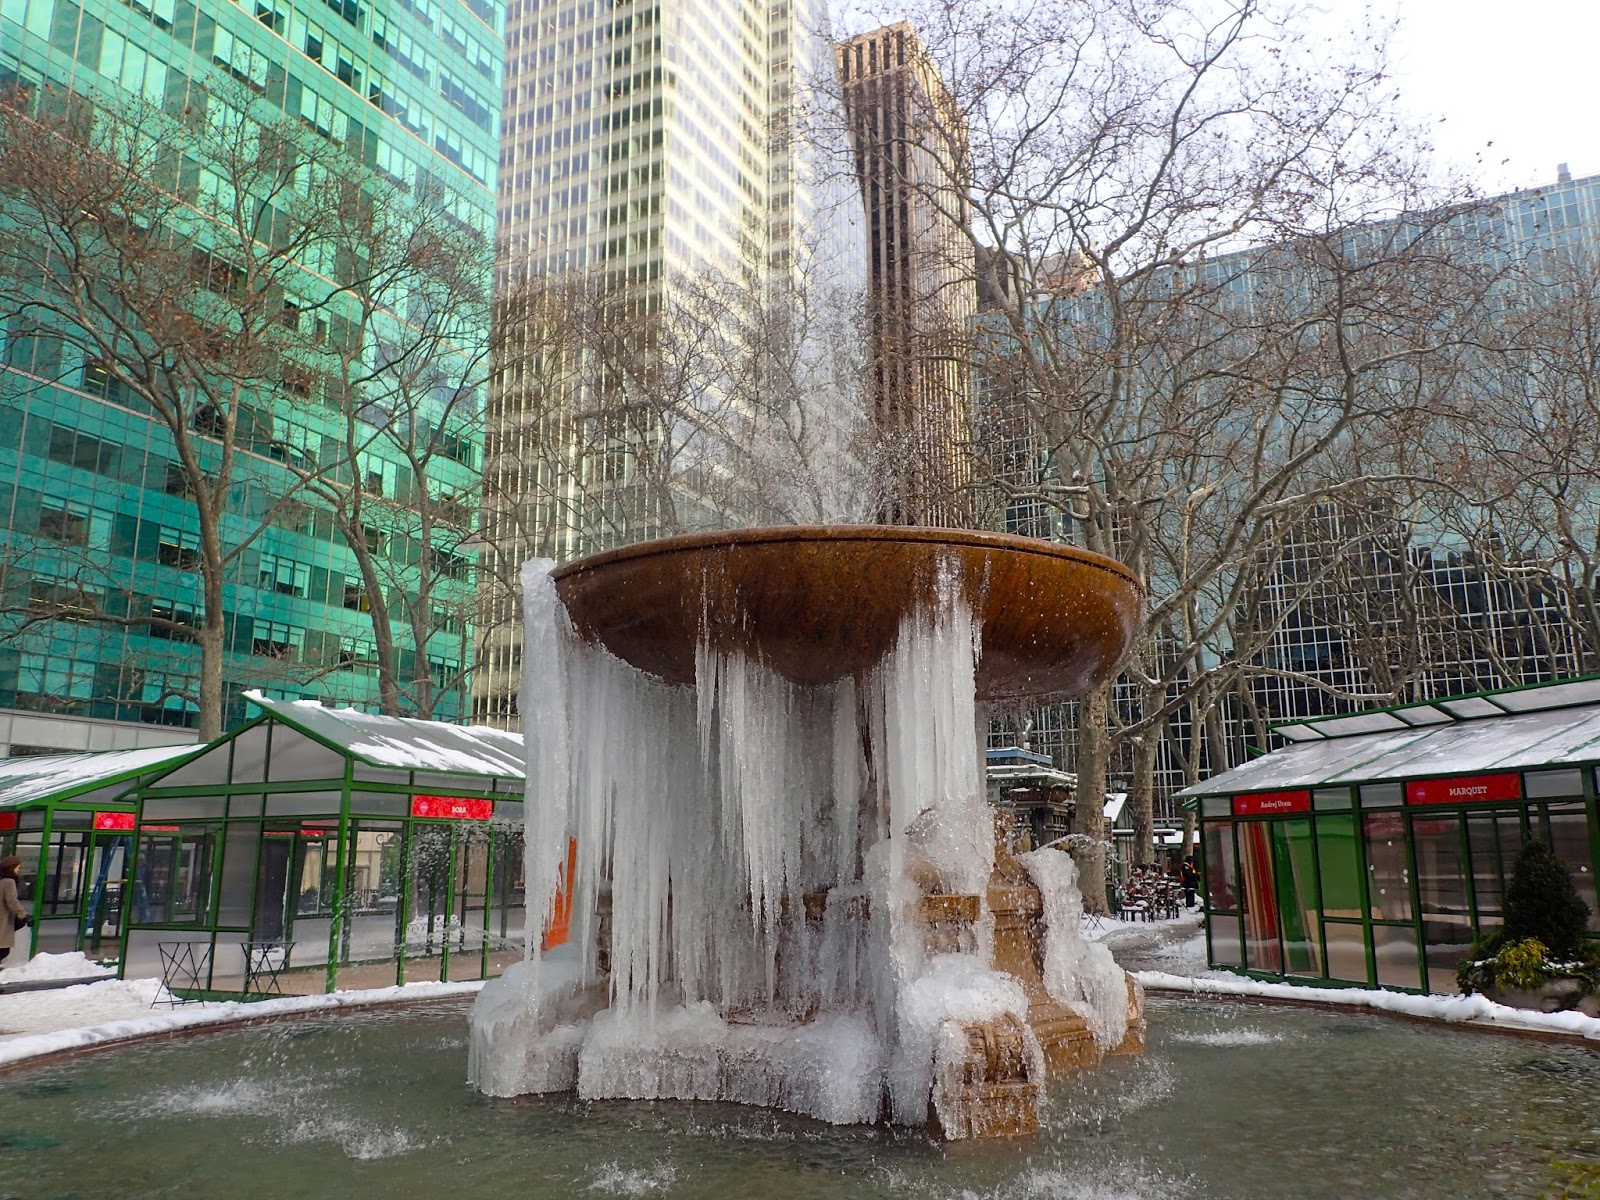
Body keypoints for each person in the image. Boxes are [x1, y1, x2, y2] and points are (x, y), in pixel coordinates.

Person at [0, 854, 29, 967]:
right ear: (11, 868)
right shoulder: (9, 882)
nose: (19, 870)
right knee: (3, 950)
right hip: (3, 922)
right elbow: (12, 901)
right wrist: (22, 914)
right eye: (18, 867)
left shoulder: (1, 880)